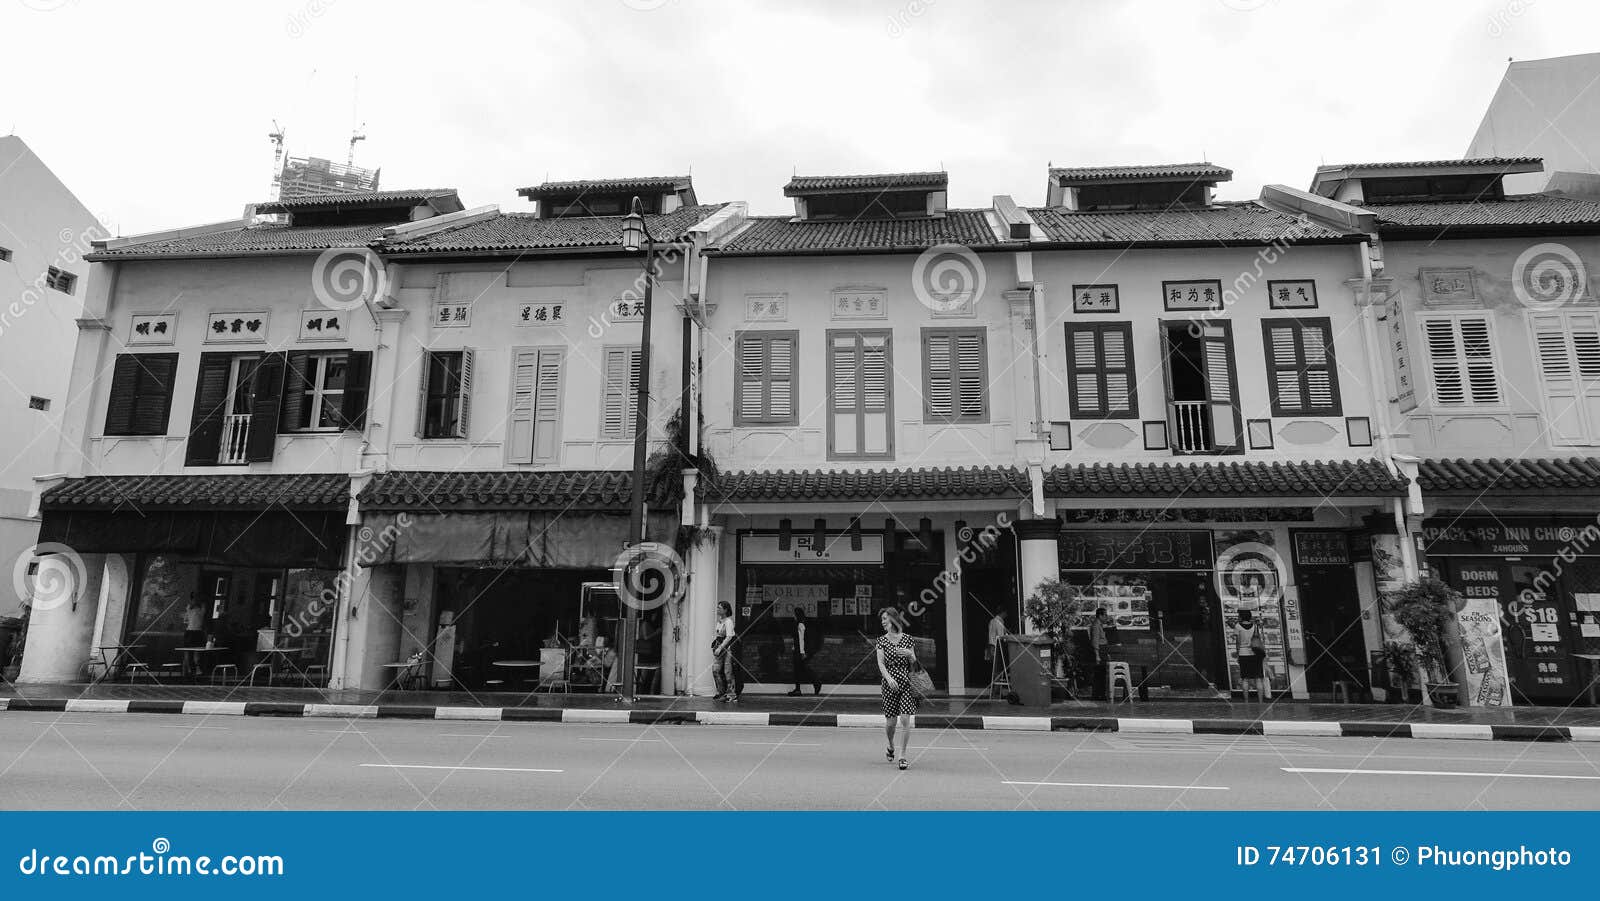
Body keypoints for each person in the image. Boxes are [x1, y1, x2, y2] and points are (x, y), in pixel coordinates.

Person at [875, 607, 920, 771]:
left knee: (906, 719)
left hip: (907, 683)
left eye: (885, 619)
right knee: (891, 723)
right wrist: (888, 678)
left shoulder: (908, 639)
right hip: (889, 684)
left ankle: (903, 755)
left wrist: (910, 654)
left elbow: (914, 663)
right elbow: (880, 663)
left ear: (893, 620)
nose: (883, 622)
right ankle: (891, 744)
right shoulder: (881, 641)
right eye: (882, 620)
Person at [1234, 608, 1268, 702]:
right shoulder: (1255, 626)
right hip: (1255, 654)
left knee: (1245, 678)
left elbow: (1237, 643)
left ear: (1241, 616)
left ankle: (1246, 701)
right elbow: (1259, 638)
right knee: (1258, 678)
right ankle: (1260, 701)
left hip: (1243, 653)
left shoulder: (1237, 626)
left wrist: (1237, 654)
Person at [787, 607, 822, 696]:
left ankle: (815, 682)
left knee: (801, 669)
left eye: (794, 614)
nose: (793, 616)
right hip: (798, 650)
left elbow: (801, 639)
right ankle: (809, 685)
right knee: (800, 669)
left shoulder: (800, 625)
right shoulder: (799, 624)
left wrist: (802, 652)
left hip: (800, 651)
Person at [712, 602, 738, 702]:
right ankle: (720, 691)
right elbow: (718, 635)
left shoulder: (728, 622)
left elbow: (729, 636)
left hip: (727, 649)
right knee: (715, 670)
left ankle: (731, 694)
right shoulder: (719, 621)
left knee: (728, 671)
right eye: (717, 607)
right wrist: (715, 647)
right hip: (719, 648)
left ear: (726, 610)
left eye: (720, 608)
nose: (717, 609)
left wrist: (720, 648)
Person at [181, 596, 207, 677]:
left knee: (196, 652)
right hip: (190, 632)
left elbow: (202, 606)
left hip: (197, 632)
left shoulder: (201, 609)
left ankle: (196, 669)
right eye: (193, 600)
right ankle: (188, 670)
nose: (194, 602)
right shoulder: (189, 609)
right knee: (187, 652)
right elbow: (185, 620)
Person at [1089, 607, 1111, 700]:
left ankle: (1100, 694)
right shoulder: (1096, 625)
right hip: (1099, 651)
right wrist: (1097, 655)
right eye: (1105, 615)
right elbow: (1095, 641)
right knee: (1099, 674)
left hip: (1103, 651)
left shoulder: (1100, 625)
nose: (1107, 617)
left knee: (1102, 673)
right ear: (1100, 615)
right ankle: (1097, 695)